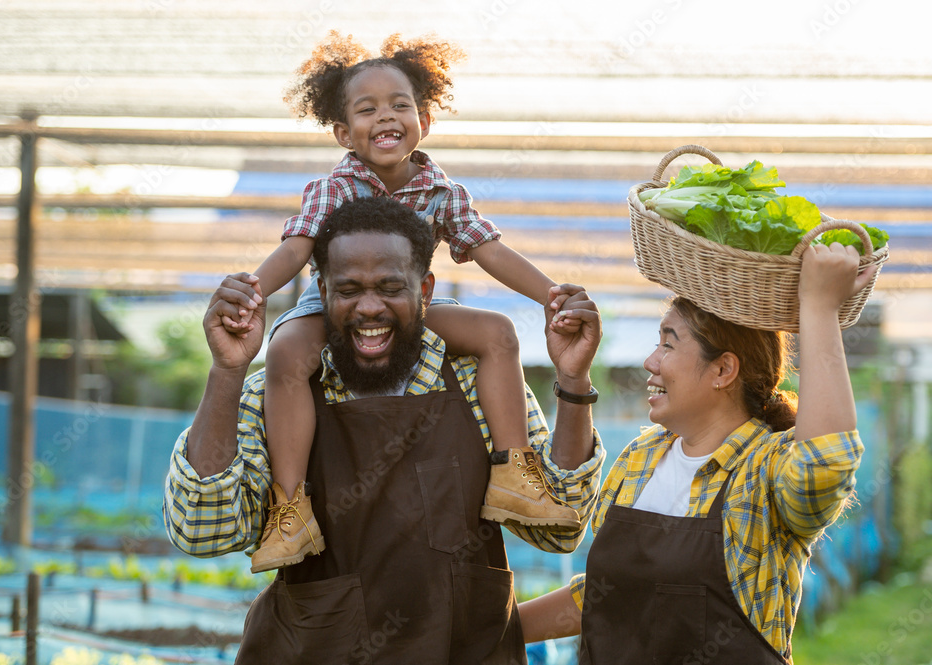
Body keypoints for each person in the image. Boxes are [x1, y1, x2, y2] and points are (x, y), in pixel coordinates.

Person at [164, 196, 605, 664]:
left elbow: (561, 529)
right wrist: (227, 370)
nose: (369, 307)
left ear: (426, 290)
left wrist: (574, 381)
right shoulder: (278, 394)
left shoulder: (480, 386)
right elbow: (202, 532)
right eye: (349, 289)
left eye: (391, 287)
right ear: (323, 290)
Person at [220, 32, 580, 573]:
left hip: (408, 308)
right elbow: (296, 248)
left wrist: (551, 296)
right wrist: (252, 292)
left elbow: (490, 250)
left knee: (499, 333)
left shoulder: (443, 192)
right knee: (287, 352)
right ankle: (289, 507)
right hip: (328, 310)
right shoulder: (332, 188)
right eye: (367, 109)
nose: (385, 116)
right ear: (344, 132)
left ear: (425, 120)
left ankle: (513, 473)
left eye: (400, 105)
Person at [518, 243, 876, 663]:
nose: (650, 361)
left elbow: (825, 462)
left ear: (723, 370)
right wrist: (481, 631)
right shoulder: (641, 458)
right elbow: (605, 594)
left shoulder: (763, 468)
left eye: (668, 345)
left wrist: (819, 306)